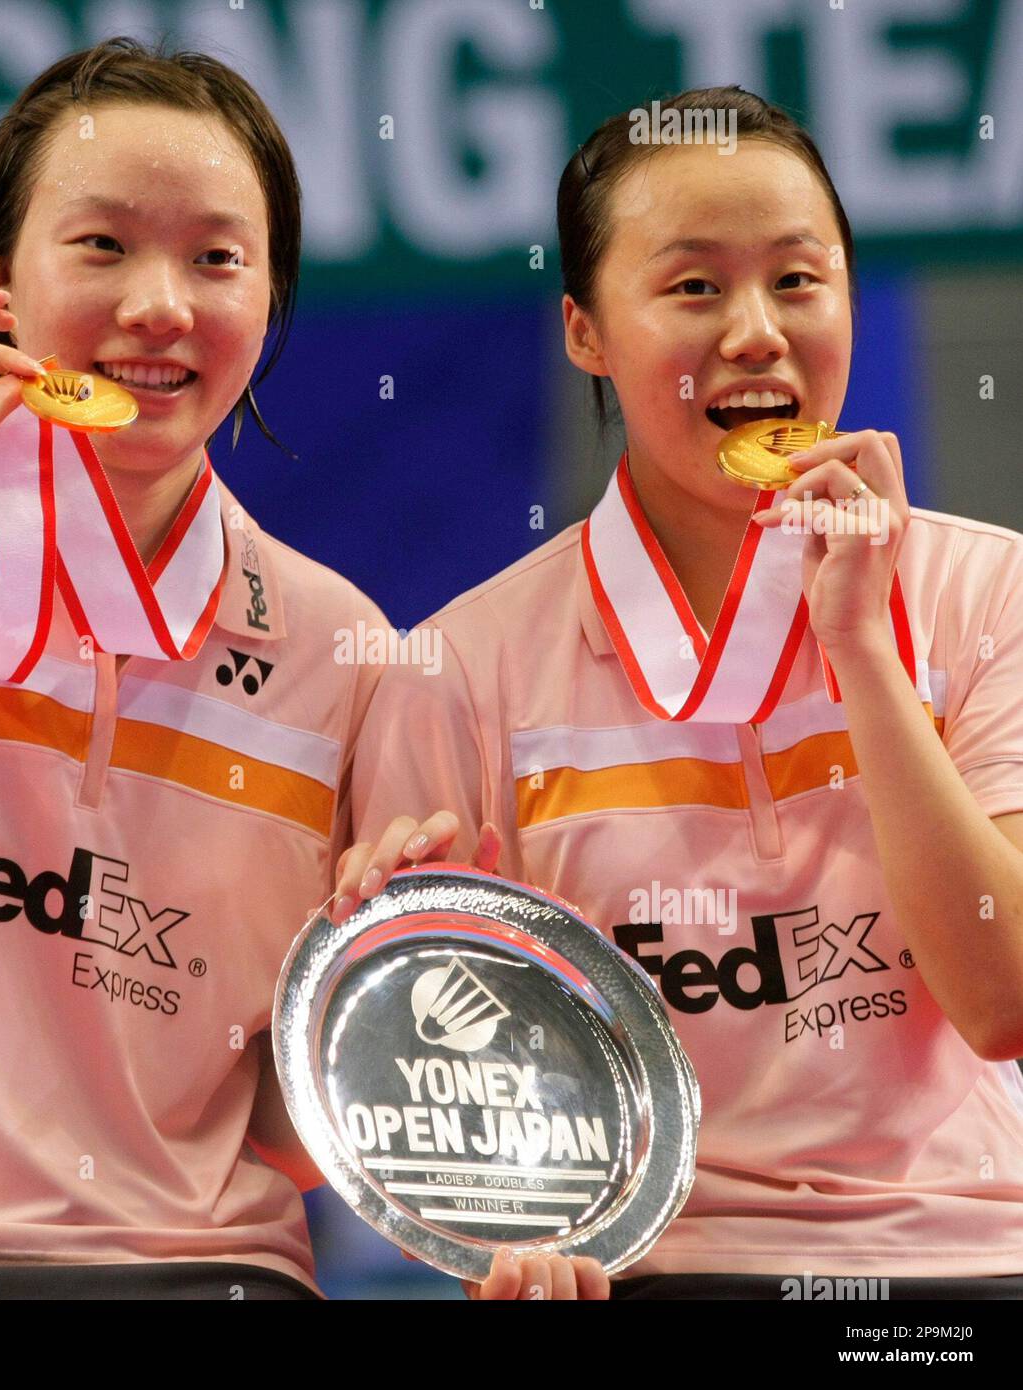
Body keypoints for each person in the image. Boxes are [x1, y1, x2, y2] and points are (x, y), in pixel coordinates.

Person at [0, 37, 582, 1302]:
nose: (161, 305)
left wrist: (353, 986)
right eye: (101, 247)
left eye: (217, 258)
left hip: (214, 1276)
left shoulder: (348, 651)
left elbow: (294, 1141)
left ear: (270, 297)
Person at [342, 86, 1023, 1300]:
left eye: (799, 281)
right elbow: (421, 1115)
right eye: (694, 286)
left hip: (959, 1269)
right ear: (584, 332)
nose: (756, 331)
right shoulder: (461, 665)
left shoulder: (985, 587)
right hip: (649, 1274)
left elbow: (1003, 997)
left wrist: (863, 651)